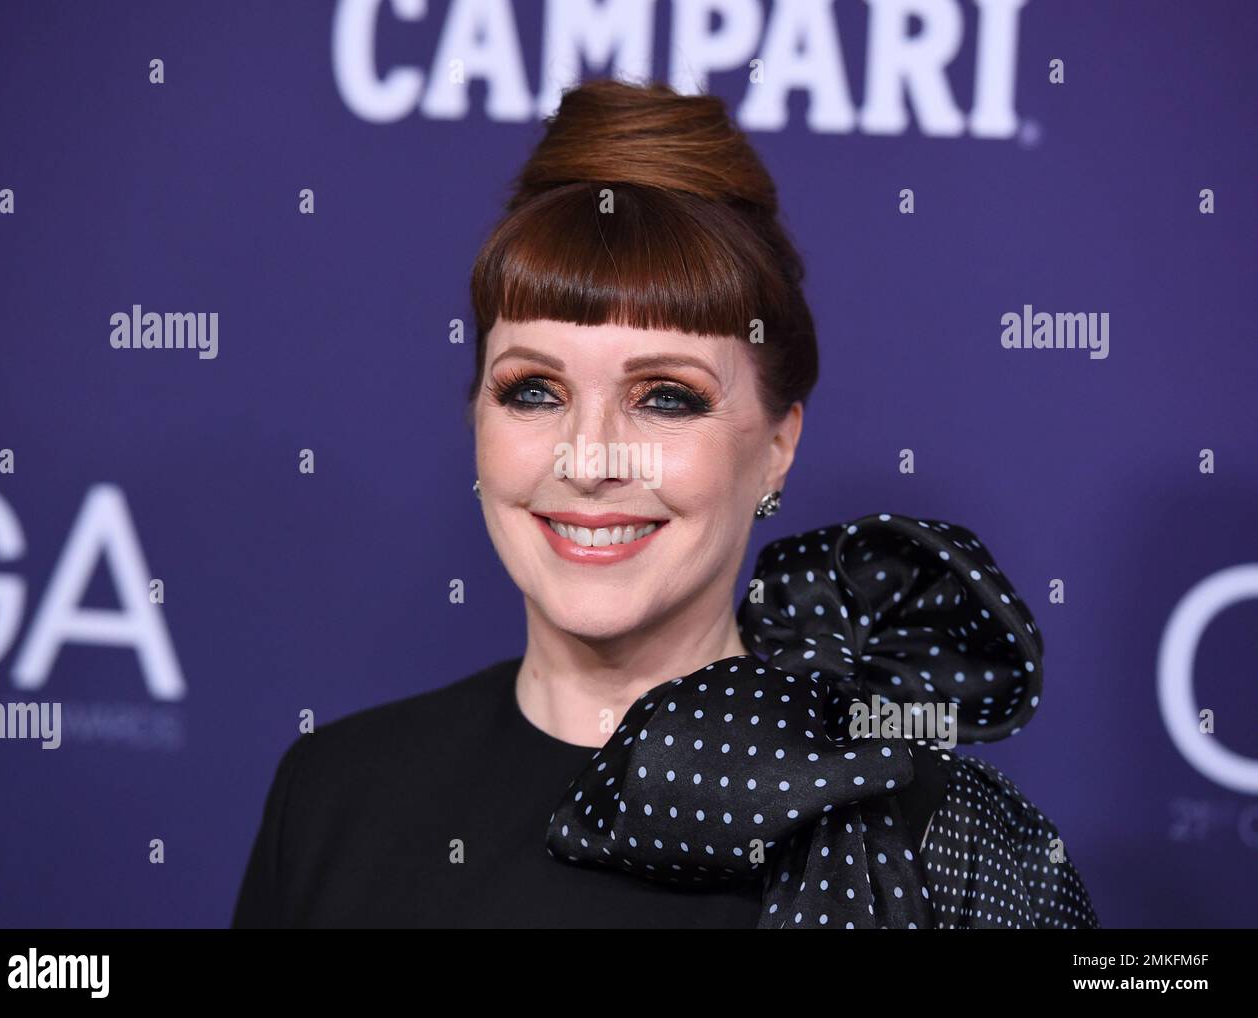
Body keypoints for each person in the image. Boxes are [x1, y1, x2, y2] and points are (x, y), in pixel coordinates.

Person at [231, 79, 1098, 930]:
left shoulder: (928, 836)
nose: (590, 458)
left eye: (667, 397)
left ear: (777, 445)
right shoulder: (332, 796)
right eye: (533, 391)